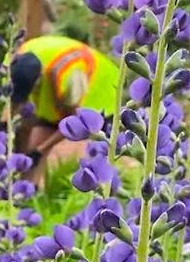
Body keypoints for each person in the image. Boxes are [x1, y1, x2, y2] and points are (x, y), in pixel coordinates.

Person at [9, 35, 120, 184]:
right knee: (29, 144)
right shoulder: (19, 60)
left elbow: (72, 123)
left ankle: (29, 190)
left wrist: (39, 150)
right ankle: (23, 190)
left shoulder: (66, 79)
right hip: (55, 93)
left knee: (38, 147)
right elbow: (16, 102)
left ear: (40, 79)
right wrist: (6, 126)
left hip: (102, 91)